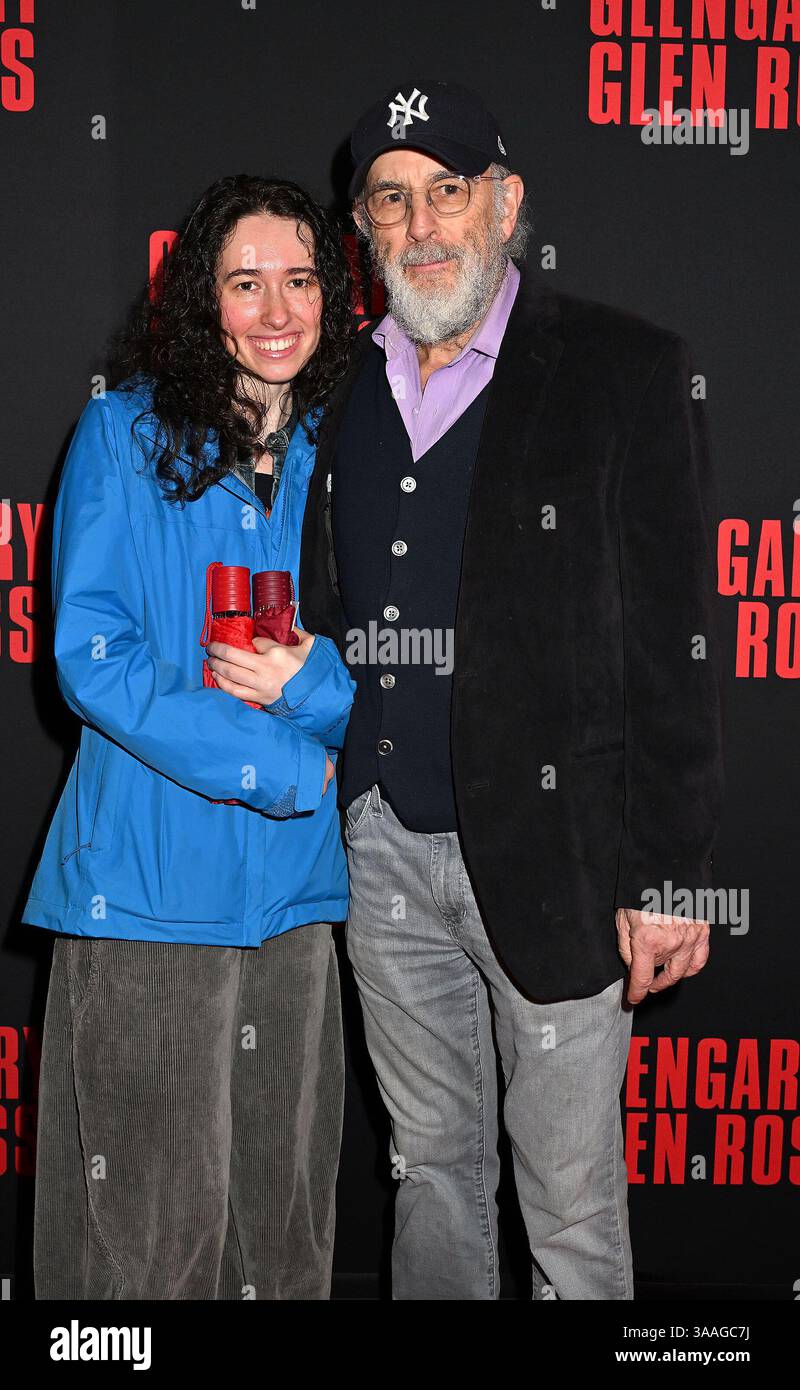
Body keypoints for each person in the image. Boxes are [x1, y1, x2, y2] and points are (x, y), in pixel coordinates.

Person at [296, 80, 725, 1299]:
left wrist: (668, 873)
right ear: (362, 229)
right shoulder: (331, 387)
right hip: (381, 851)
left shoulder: (622, 368)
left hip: (556, 860)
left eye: (448, 190)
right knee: (429, 1175)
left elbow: (674, 644)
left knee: (569, 1205)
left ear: (505, 201)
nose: (421, 224)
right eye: (390, 199)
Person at [21, 174, 357, 1300]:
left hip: (295, 903)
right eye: (245, 281)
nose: (277, 309)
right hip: (149, 895)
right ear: (200, 300)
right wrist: (285, 766)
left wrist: (318, 689)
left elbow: (388, 671)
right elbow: (93, 659)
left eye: (300, 279)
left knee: (284, 1242)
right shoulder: (123, 433)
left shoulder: (342, 455)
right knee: (145, 1258)